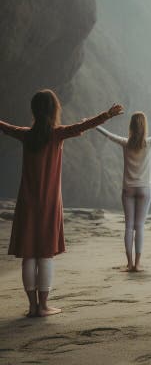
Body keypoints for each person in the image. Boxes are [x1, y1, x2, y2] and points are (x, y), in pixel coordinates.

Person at [1, 90, 123, 317]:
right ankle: (44, 306)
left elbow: (4, 127)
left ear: (34, 110)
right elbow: (81, 127)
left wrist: (106, 115)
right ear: (54, 110)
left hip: (26, 202)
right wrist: (107, 114)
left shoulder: (26, 135)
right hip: (48, 204)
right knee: (45, 253)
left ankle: (31, 306)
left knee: (29, 254)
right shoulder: (57, 134)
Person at [96, 114, 151, 272]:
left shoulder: (125, 143)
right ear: (144, 127)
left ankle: (129, 263)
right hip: (144, 188)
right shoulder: (149, 143)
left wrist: (93, 125)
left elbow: (108, 135)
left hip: (128, 189)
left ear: (131, 127)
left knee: (129, 227)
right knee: (140, 226)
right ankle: (138, 264)